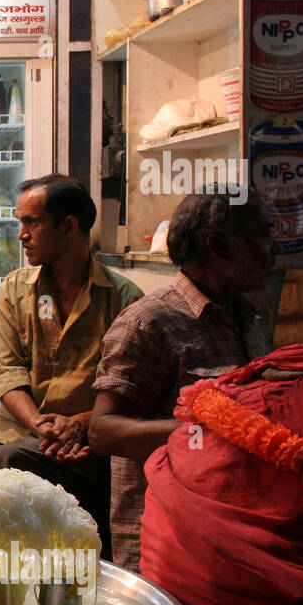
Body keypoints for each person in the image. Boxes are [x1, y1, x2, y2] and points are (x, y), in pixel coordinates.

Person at [89, 188, 276, 572]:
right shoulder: (148, 322)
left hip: (223, 534)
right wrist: (215, 431)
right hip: (166, 545)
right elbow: (103, 431)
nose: (272, 248)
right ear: (218, 246)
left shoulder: (244, 315)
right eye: (262, 235)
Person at [0, 174, 142, 560]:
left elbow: (128, 391)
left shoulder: (124, 300)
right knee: (11, 460)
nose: (21, 234)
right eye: (20, 222)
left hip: (90, 445)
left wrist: (79, 425)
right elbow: (3, 371)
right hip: (25, 434)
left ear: (68, 227)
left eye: (31, 223)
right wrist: (42, 426)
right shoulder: (16, 289)